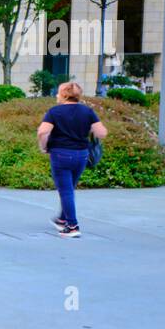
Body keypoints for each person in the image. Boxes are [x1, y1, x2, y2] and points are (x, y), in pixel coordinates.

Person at [37, 80, 108, 239]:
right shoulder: (87, 112)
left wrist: (43, 147)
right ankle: (62, 218)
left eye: (58, 92)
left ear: (64, 95)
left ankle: (72, 226)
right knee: (69, 188)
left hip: (61, 154)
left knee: (66, 190)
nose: (56, 95)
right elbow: (102, 133)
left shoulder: (54, 112)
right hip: (81, 155)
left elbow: (42, 132)